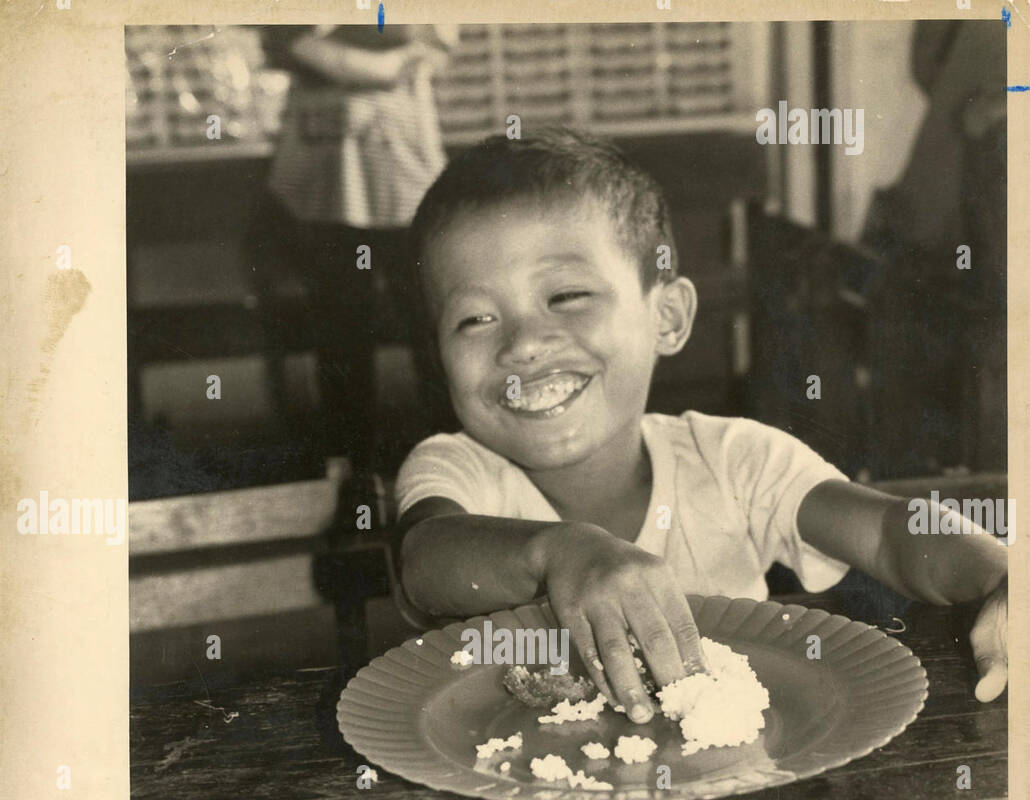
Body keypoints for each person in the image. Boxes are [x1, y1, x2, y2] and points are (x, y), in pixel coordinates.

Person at [394, 130, 1007, 723]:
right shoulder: (454, 468)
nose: (524, 344)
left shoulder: (736, 461)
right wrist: (561, 551)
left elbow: (889, 533)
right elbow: (426, 562)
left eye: (568, 296)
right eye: (475, 318)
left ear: (667, 317)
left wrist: (1000, 575)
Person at [258, 23, 457, 469]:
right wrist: (381, 60)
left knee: (429, 321)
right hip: (328, 178)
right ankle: (351, 467)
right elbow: (297, 44)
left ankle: (456, 459)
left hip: (404, 172)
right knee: (340, 326)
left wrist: (368, 56)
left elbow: (431, 45)